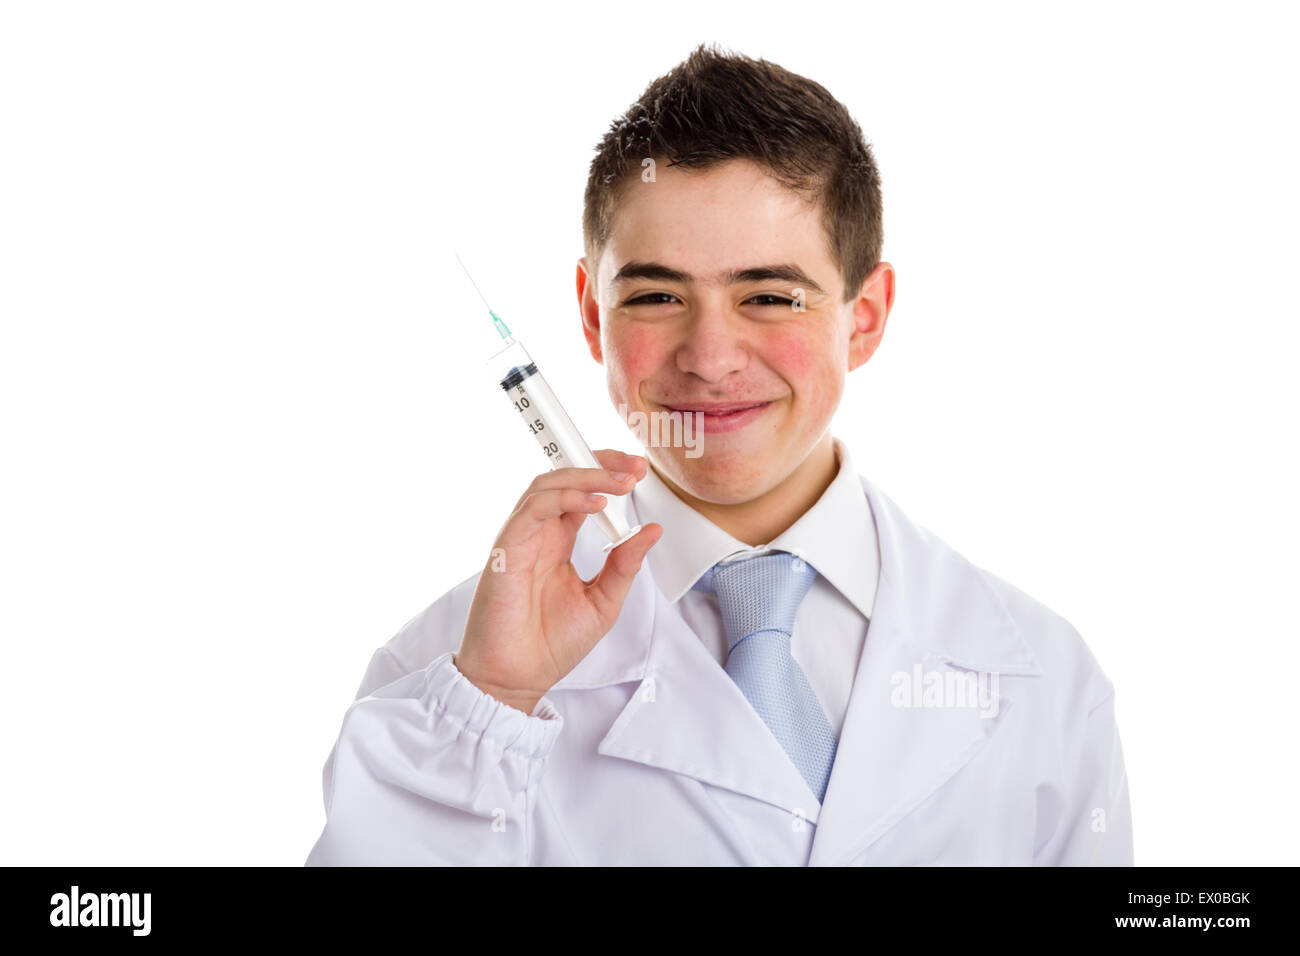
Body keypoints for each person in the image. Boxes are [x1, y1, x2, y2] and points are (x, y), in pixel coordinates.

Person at [305, 43, 1133, 866]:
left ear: (866, 315)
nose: (710, 356)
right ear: (593, 317)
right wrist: (494, 705)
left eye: (769, 296)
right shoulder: (449, 675)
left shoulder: (1043, 678)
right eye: (658, 296)